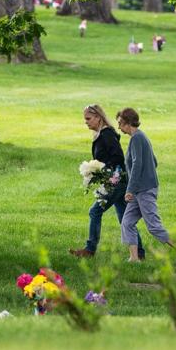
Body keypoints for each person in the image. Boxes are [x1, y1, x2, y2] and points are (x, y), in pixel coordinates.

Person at [70, 105, 144, 259]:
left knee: (95, 211)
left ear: (98, 117)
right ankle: (140, 253)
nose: (86, 122)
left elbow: (118, 158)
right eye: (85, 119)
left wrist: (106, 172)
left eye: (88, 119)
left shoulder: (107, 134)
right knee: (125, 219)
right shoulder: (100, 134)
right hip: (116, 180)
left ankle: (90, 250)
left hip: (117, 181)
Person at [117, 107, 174, 261]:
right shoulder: (141, 137)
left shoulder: (136, 138)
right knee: (127, 222)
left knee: (154, 227)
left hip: (144, 190)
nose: (119, 127)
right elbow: (153, 161)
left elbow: (137, 165)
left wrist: (130, 189)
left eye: (120, 124)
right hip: (139, 190)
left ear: (128, 123)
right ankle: (134, 258)